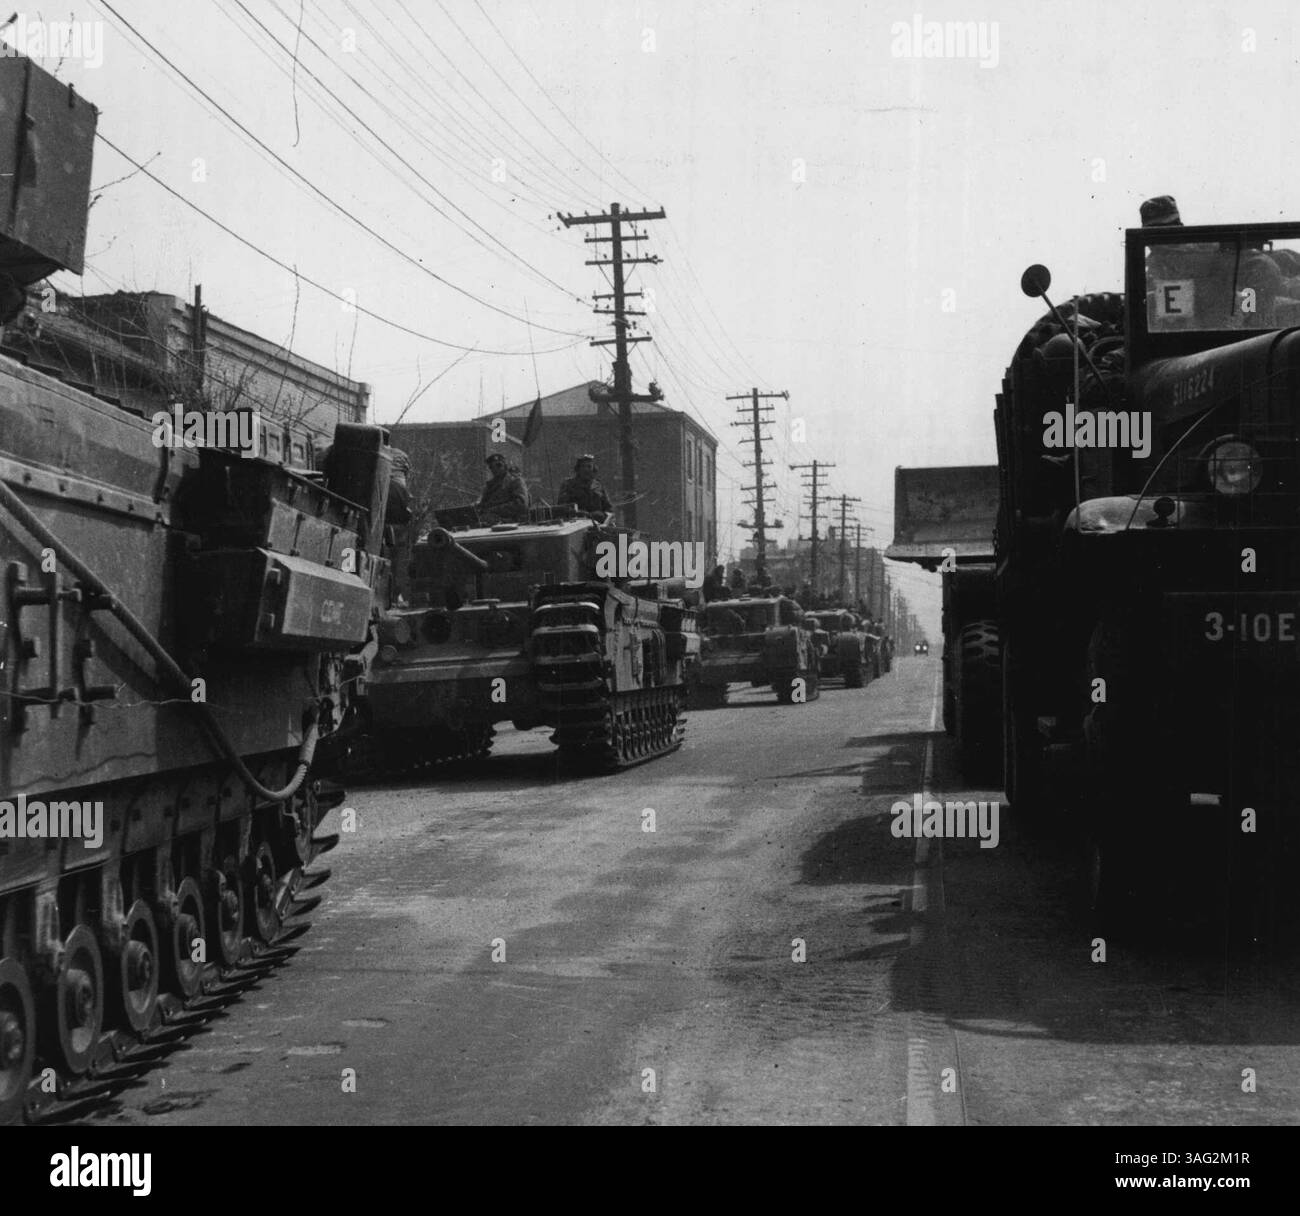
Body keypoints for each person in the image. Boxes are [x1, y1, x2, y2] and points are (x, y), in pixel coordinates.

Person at [478, 452, 529, 521]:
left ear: (505, 466)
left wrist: (493, 510)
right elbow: (483, 505)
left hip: (511, 523)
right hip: (489, 521)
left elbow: (521, 505)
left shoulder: (515, 481)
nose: (495, 469)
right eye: (491, 467)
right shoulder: (489, 486)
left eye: (498, 465)